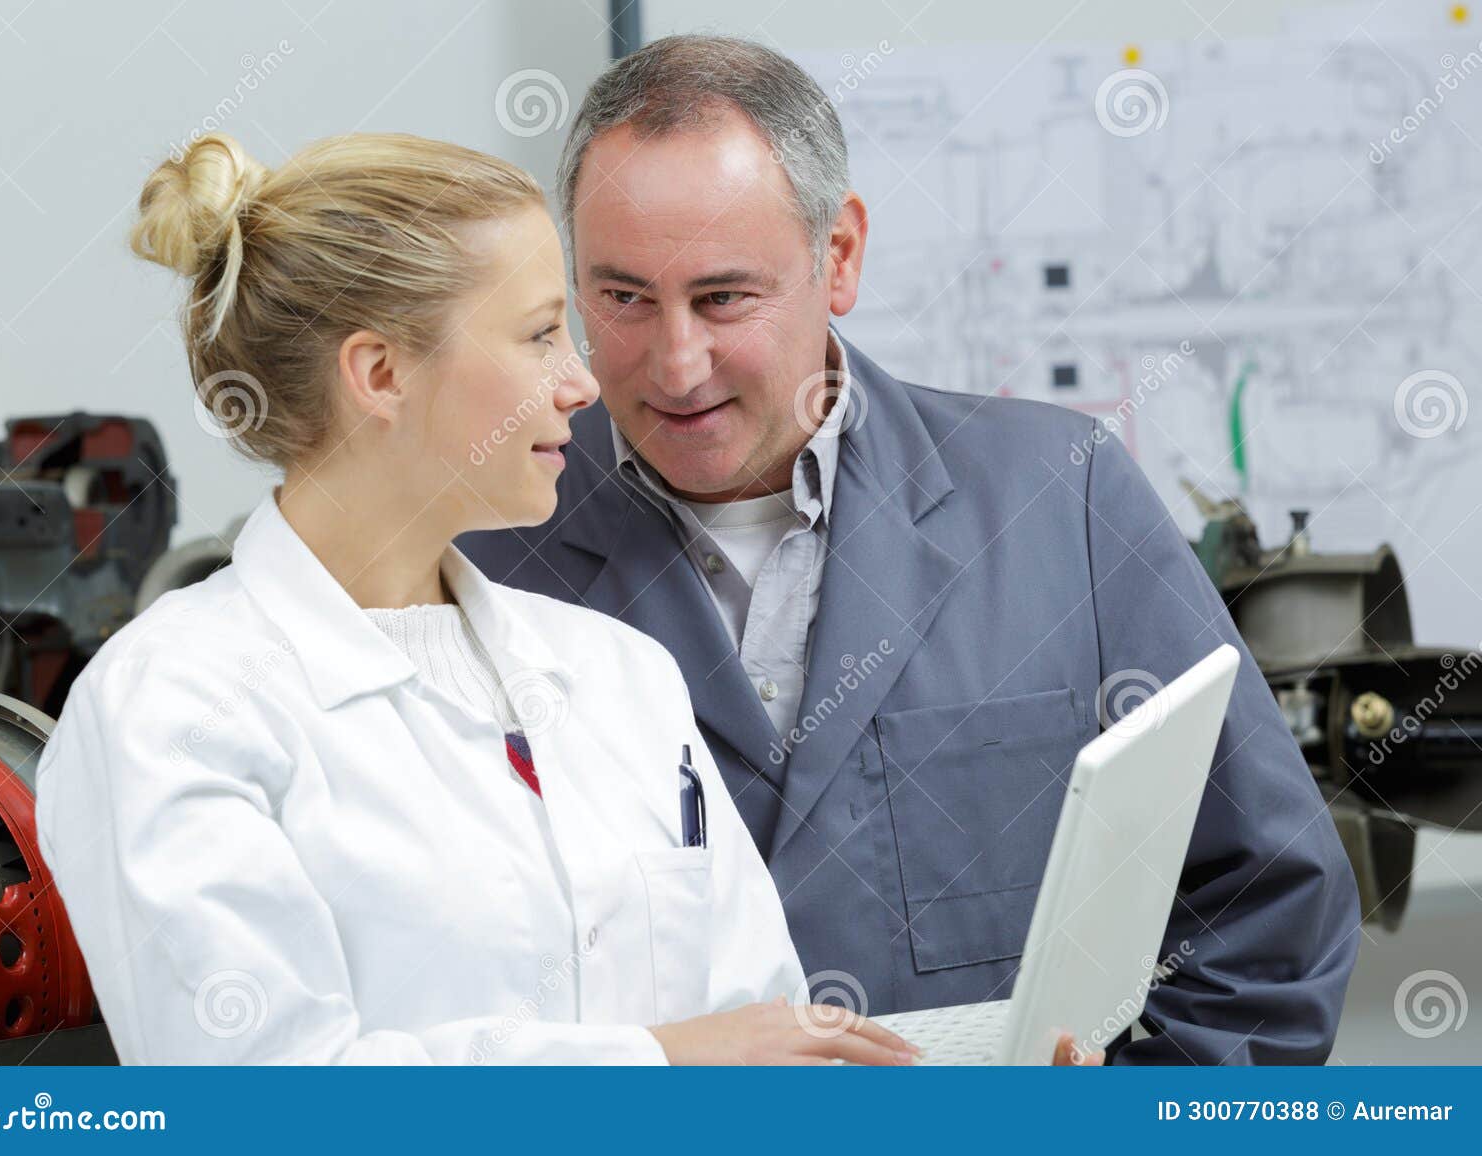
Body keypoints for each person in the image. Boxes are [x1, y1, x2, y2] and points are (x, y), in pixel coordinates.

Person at [458, 35, 1363, 1064]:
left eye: (722, 298)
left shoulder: (1056, 497)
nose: (676, 362)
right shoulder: (469, 552)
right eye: (621, 299)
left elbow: (1268, 905)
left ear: (837, 256)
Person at [32, 130, 928, 1066]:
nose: (582, 383)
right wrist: (656, 1064)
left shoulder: (618, 674)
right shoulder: (171, 706)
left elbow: (775, 1045)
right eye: (541, 334)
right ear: (380, 375)